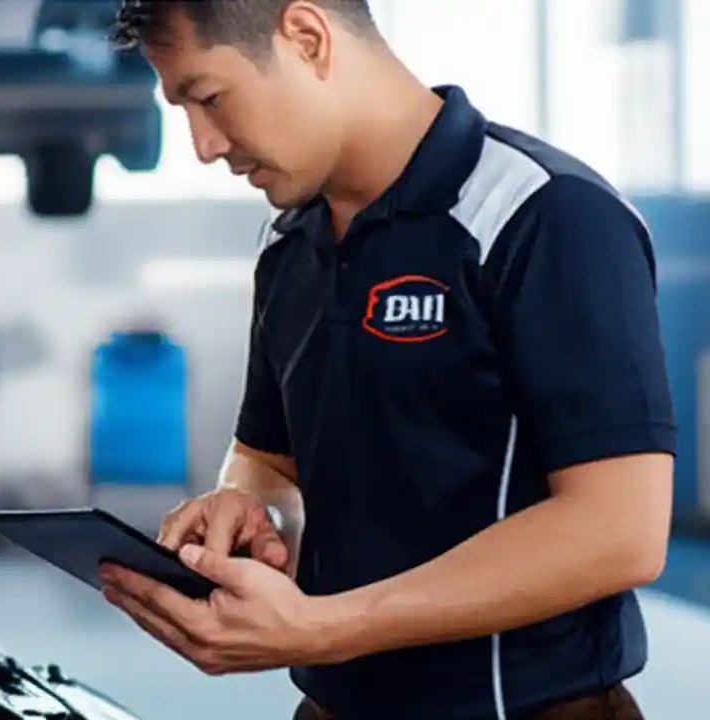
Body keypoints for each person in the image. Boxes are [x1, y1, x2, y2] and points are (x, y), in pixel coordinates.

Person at [96, 2, 677, 718]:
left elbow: (621, 531)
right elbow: (267, 460)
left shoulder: (545, 214)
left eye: (210, 98)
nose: (204, 146)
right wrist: (250, 512)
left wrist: (328, 628)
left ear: (307, 38)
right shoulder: (287, 245)